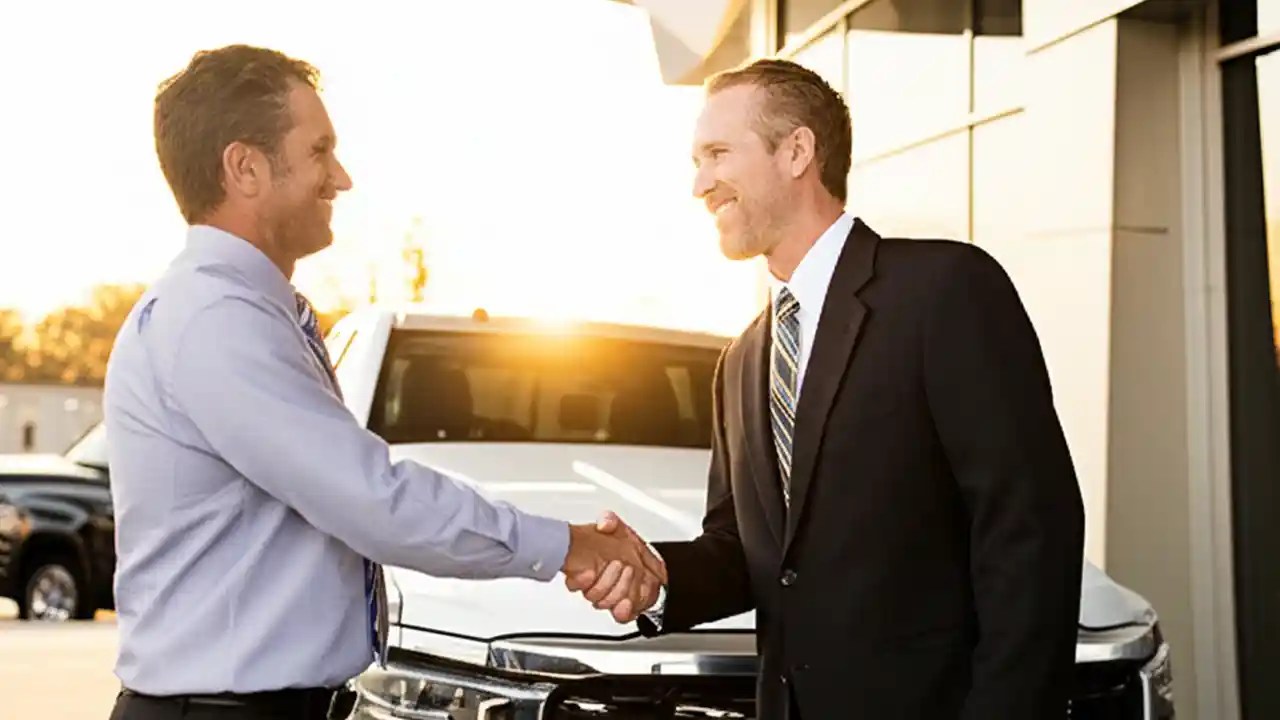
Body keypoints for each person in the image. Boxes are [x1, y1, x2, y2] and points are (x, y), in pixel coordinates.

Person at [103, 44, 663, 720]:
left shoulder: (239, 312)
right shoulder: (215, 320)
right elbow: (371, 499)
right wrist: (567, 544)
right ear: (244, 167)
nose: (340, 177)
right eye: (319, 151)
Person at [576, 58, 1086, 719]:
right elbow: (746, 552)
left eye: (717, 153)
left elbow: (1030, 530)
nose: (700, 183)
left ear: (796, 151)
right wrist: (657, 574)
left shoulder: (944, 291)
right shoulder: (741, 360)